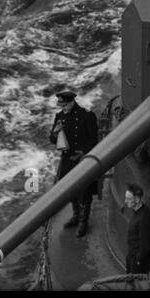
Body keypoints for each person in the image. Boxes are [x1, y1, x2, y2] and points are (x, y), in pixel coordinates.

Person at [50, 90, 100, 237]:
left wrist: (83, 152)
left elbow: (94, 139)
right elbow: (53, 140)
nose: (62, 108)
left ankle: (84, 222)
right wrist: (55, 132)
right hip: (67, 159)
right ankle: (76, 216)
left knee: (84, 192)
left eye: (65, 105)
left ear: (72, 102)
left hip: (83, 160)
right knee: (70, 190)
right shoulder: (60, 117)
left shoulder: (86, 116)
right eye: (61, 105)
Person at [123, 183, 150, 274]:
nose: (125, 201)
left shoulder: (144, 218)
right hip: (132, 255)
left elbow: (145, 244)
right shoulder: (137, 211)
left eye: (128, 199)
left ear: (137, 199)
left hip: (139, 261)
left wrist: (137, 261)